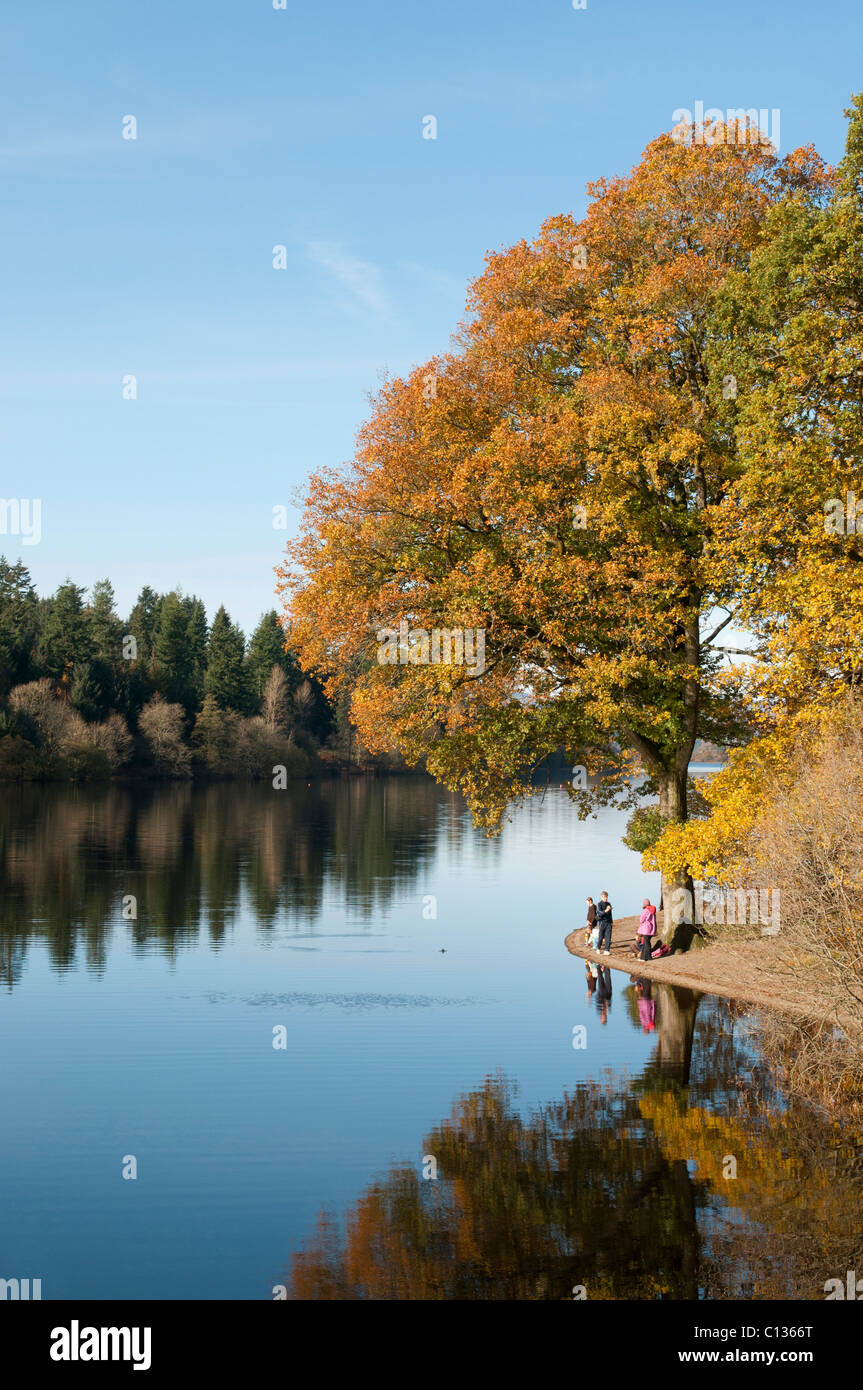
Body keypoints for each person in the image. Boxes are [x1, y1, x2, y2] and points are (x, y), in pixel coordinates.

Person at [638, 897, 657, 962]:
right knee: (647, 943)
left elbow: (641, 919)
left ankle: (645, 958)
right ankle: (646, 957)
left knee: (646, 944)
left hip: (646, 929)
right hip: (652, 929)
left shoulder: (646, 910)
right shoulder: (653, 909)